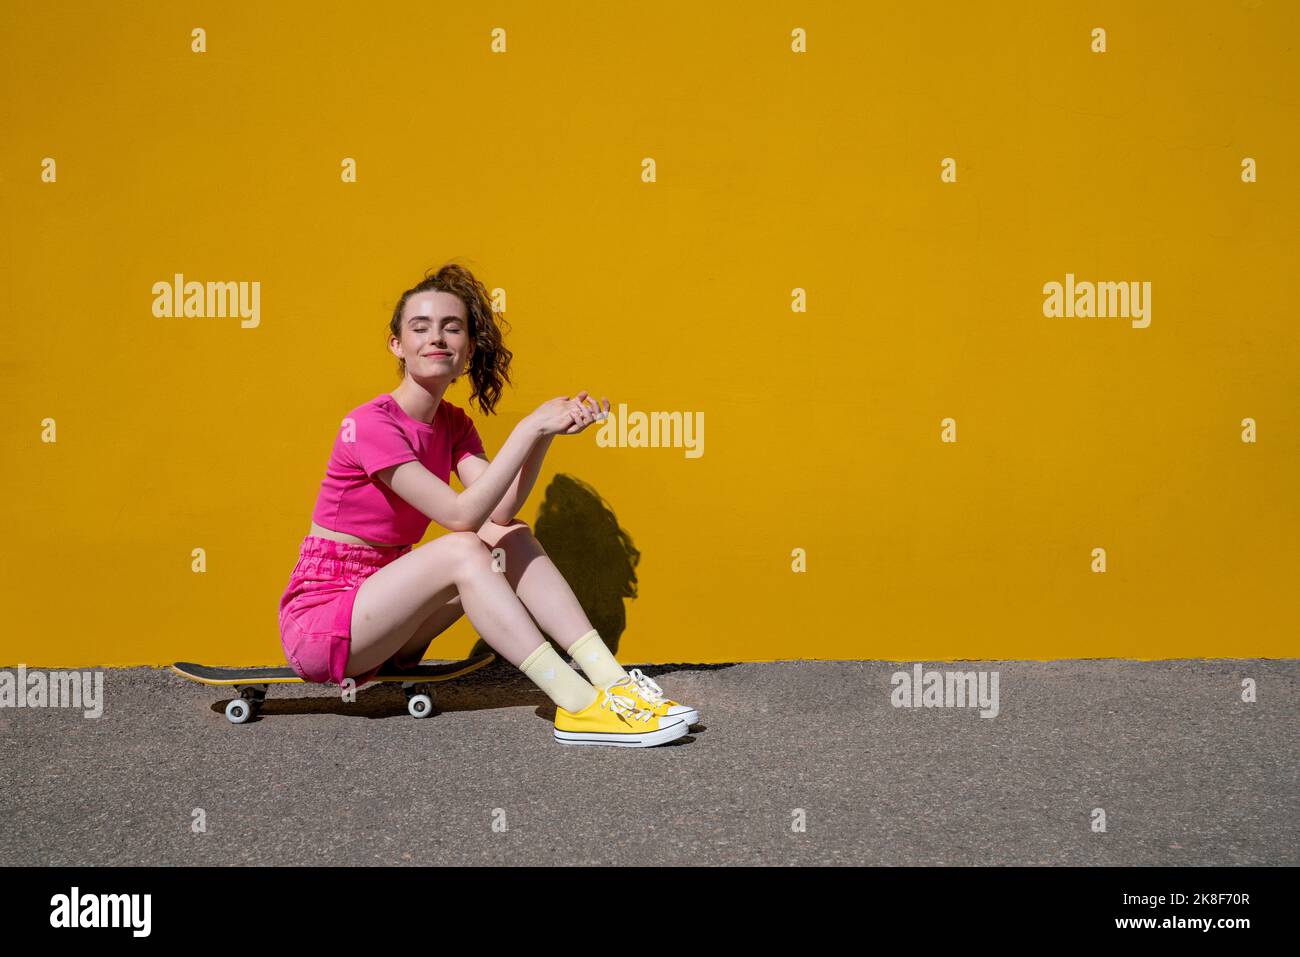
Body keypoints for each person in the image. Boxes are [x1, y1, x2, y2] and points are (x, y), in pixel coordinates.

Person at [277, 263, 697, 747]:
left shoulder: (453, 424)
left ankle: (613, 683)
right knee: (463, 547)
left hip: (388, 623)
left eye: (451, 328)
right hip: (324, 623)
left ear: (468, 350)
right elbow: (460, 517)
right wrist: (528, 428)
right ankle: (578, 706)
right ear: (397, 345)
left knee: (507, 534)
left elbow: (497, 511)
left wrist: (544, 438)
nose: (436, 338)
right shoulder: (370, 424)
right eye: (420, 328)